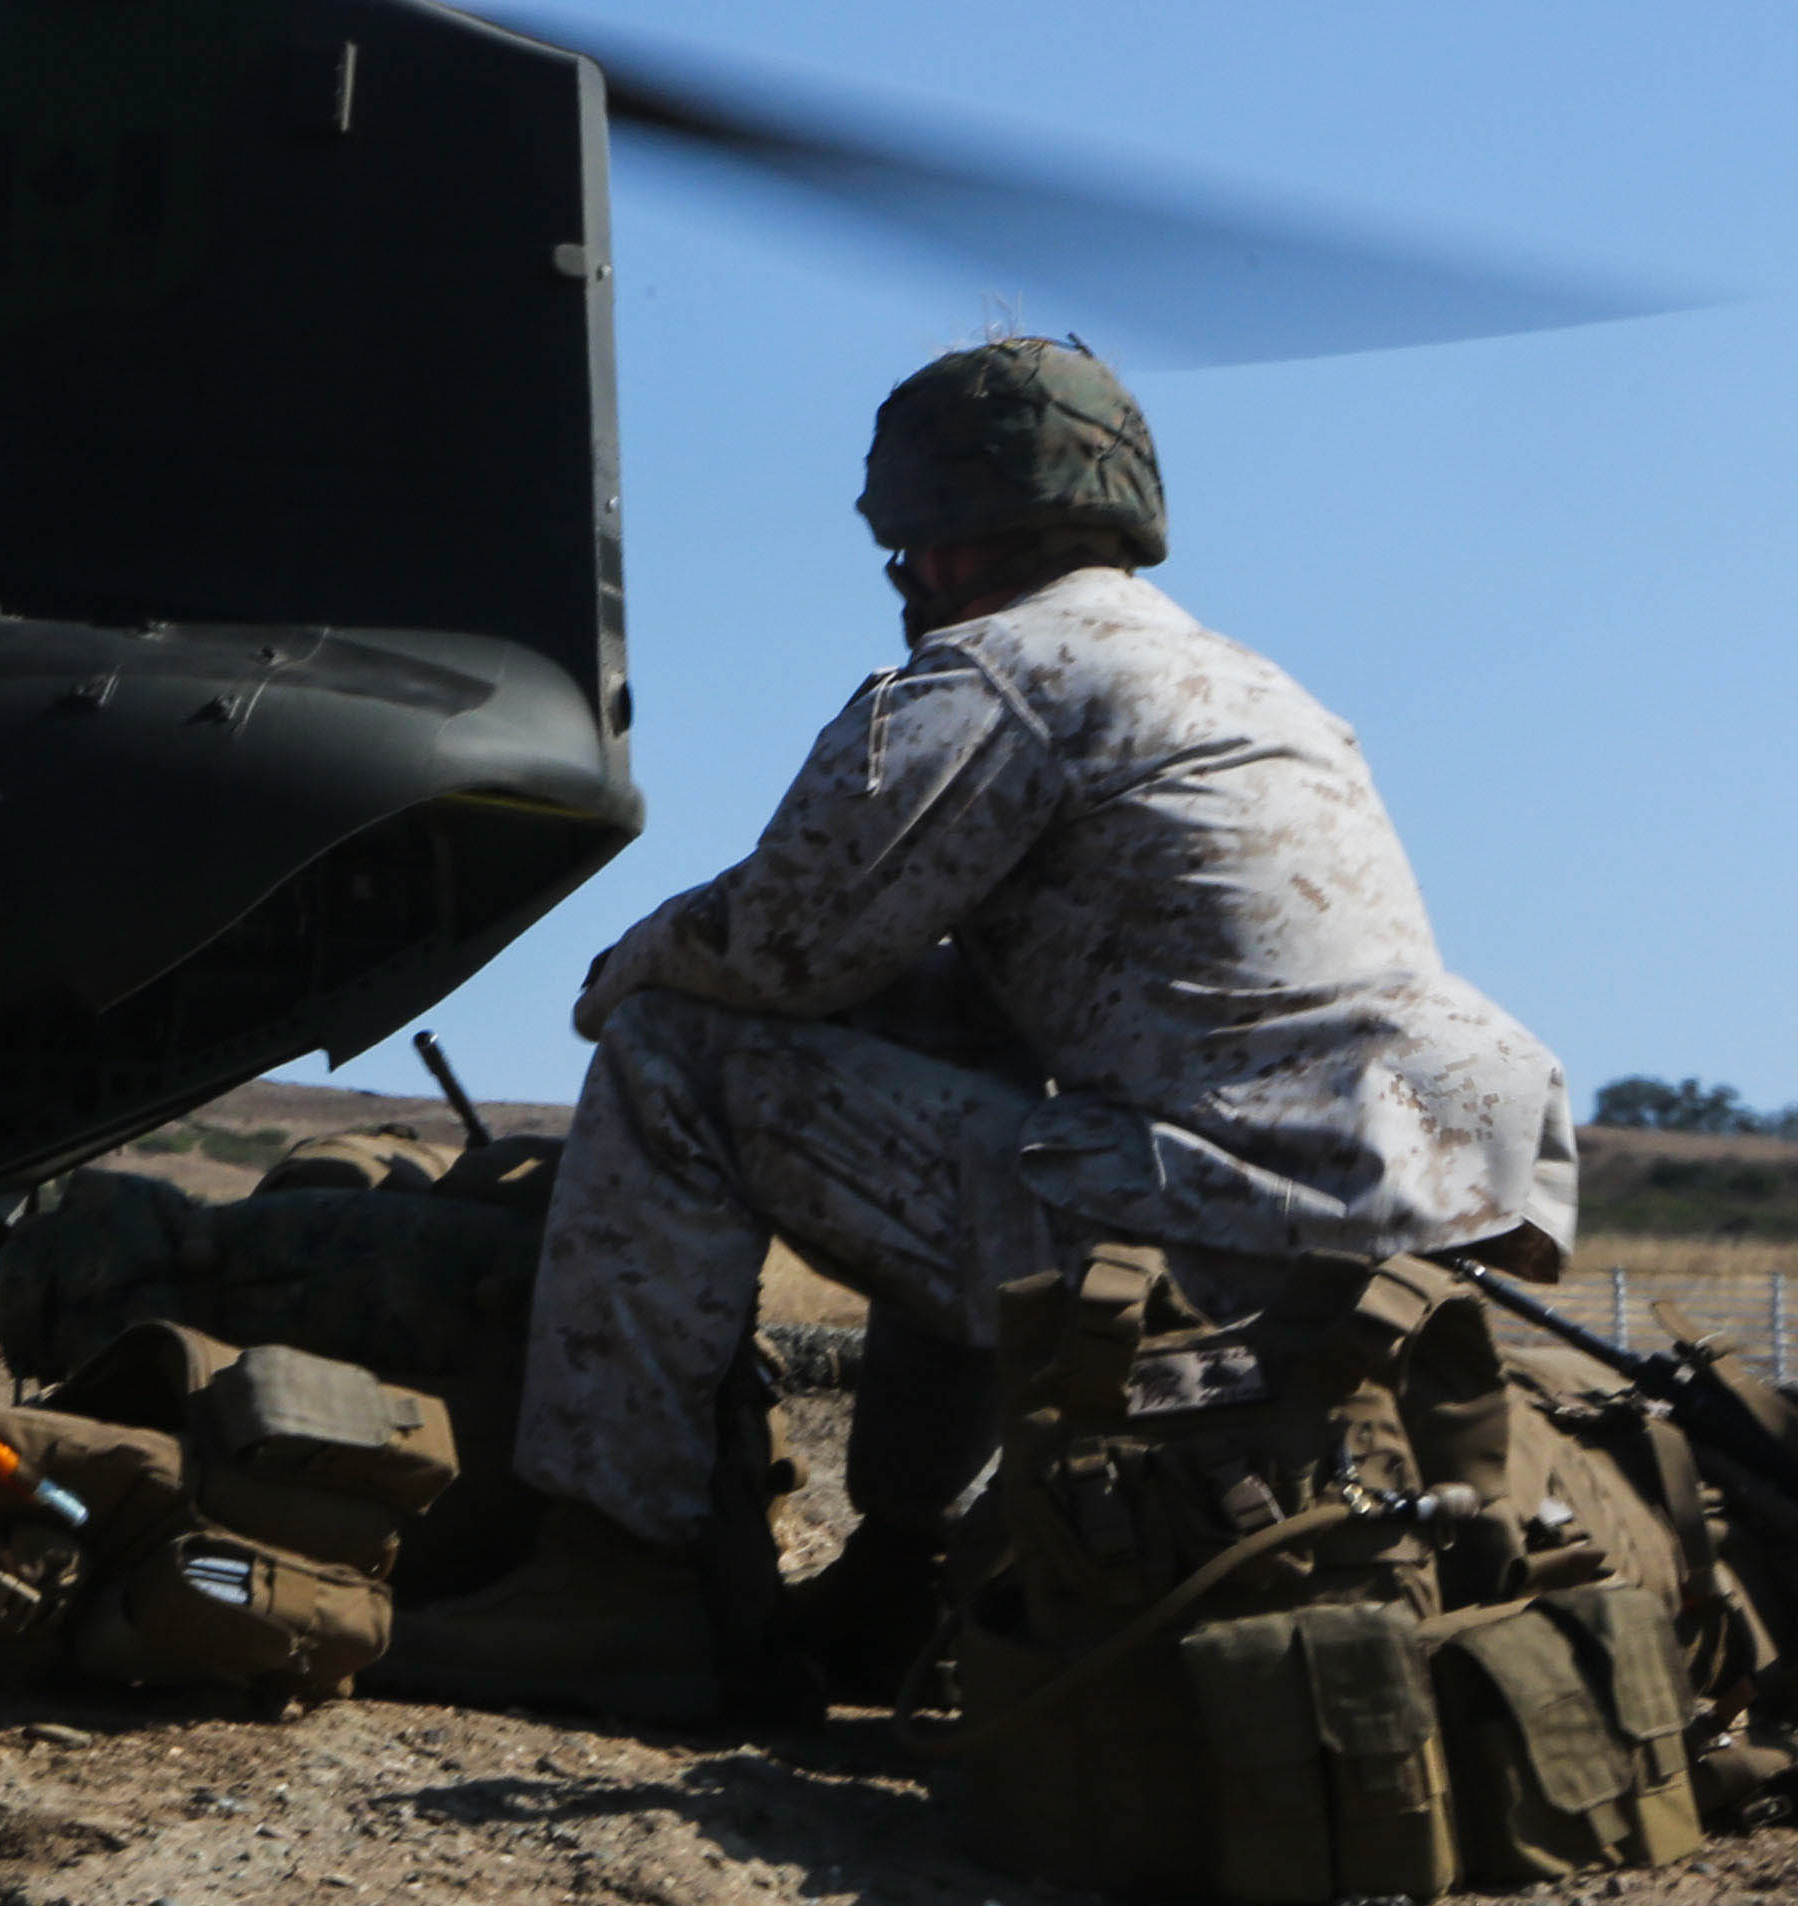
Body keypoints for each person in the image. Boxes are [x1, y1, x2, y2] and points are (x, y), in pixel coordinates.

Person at [381, 338, 1575, 1716]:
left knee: (673, 1050)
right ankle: (905, 1581)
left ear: (939, 539)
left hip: (1221, 1236)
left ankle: (614, 1585)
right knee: (968, 1079)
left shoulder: (1002, 672)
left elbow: (780, 940)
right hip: (1366, 1243)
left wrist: (622, 967)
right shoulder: (1249, 686)